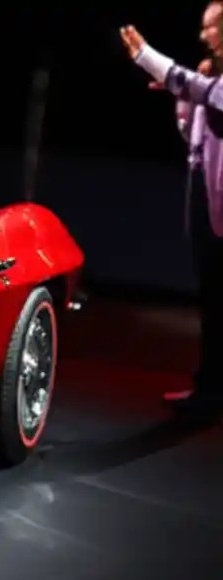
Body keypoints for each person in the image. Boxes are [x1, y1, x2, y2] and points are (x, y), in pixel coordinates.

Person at [121, 15, 223, 414]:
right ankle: (209, 386)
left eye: (211, 26)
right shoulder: (209, 81)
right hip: (203, 196)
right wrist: (183, 100)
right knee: (212, 299)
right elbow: (189, 133)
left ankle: (214, 391)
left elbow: (194, 86)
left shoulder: (213, 84)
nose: (202, 34)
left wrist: (147, 56)